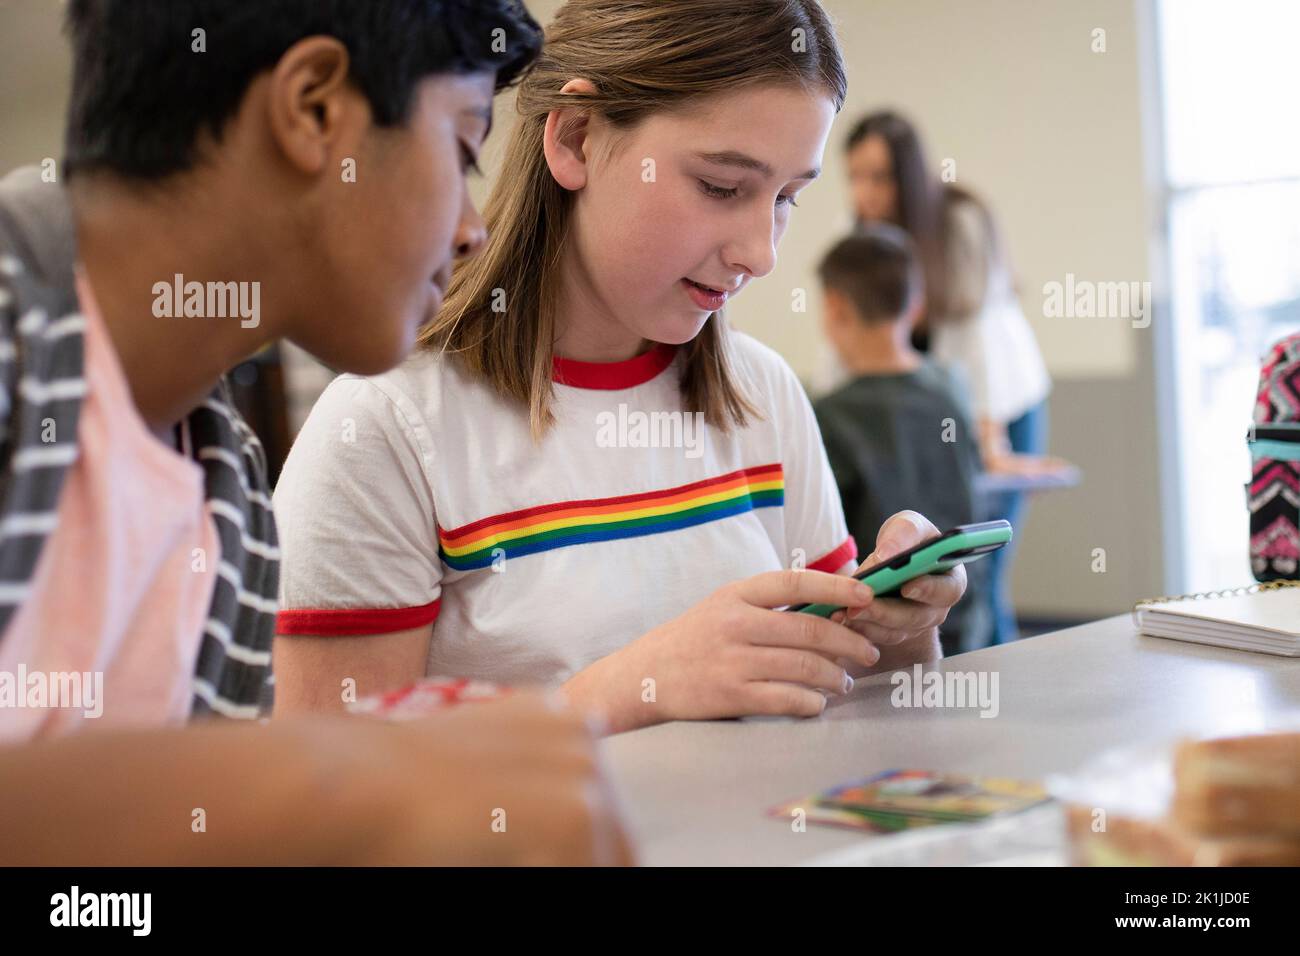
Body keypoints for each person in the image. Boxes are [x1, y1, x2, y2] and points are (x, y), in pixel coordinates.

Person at [0, 0, 630, 866]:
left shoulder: (231, 503)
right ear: (314, 108)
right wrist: (340, 779)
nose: (470, 229)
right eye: (460, 148)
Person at [272, 0, 969, 733]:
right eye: (721, 187)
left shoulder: (763, 393)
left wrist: (903, 633)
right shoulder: (386, 428)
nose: (762, 253)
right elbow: (327, 797)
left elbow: (839, 706)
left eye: (788, 196)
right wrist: (628, 690)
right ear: (575, 139)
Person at [844, 109, 1066, 643]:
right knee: (933, 563)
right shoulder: (862, 236)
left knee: (983, 571)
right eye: (854, 176)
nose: (865, 192)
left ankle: (997, 696)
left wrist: (989, 443)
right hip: (942, 410)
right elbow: (855, 335)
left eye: (880, 176)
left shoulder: (959, 220)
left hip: (1002, 403)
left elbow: (975, 339)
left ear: (909, 175)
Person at [812, 227, 992, 654]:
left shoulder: (832, 414)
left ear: (834, 308)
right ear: (915, 305)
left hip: (881, 636)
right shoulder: (952, 387)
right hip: (967, 617)